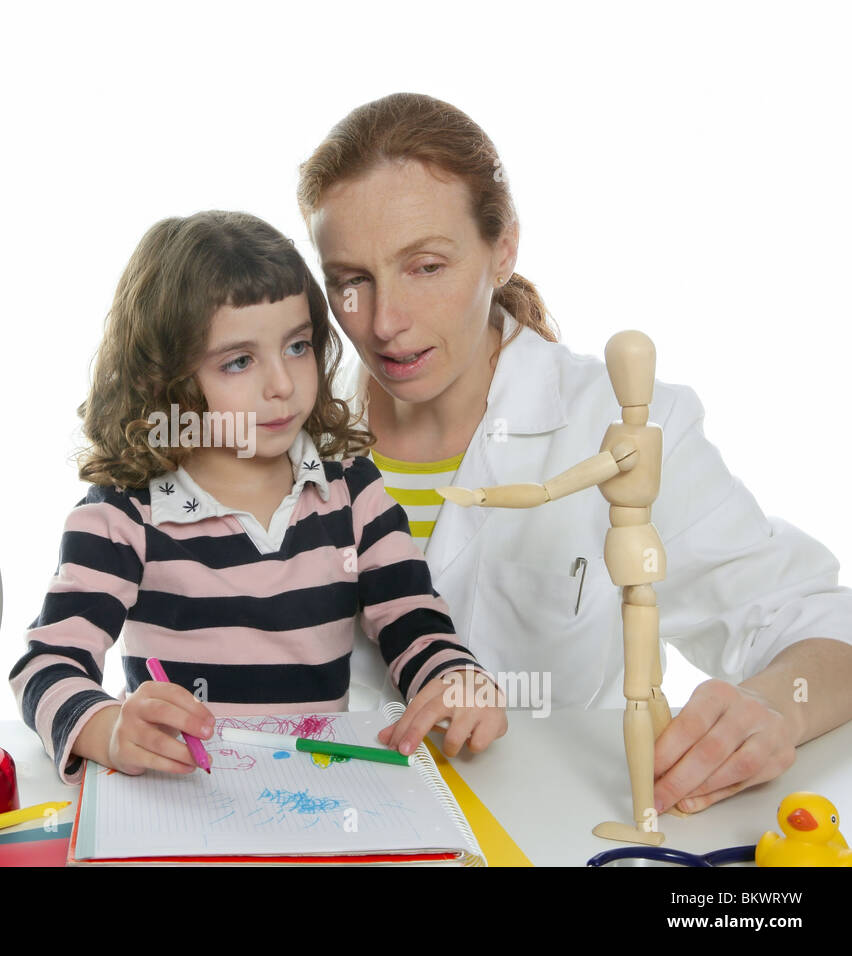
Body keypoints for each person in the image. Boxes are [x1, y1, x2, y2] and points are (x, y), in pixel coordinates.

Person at [296, 93, 852, 817]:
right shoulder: (285, 430)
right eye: (351, 281)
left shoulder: (618, 427)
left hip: (548, 841)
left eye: (426, 267)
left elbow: (817, 623)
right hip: (316, 829)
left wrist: (776, 709)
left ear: (503, 249)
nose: (386, 322)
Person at [9, 210, 507, 783]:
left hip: (317, 791)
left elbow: (412, 617)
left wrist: (455, 678)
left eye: (297, 347)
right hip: (182, 802)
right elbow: (46, 663)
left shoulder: (351, 488)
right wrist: (106, 727)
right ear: (163, 379)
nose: (283, 384)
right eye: (239, 361)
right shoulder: (124, 513)